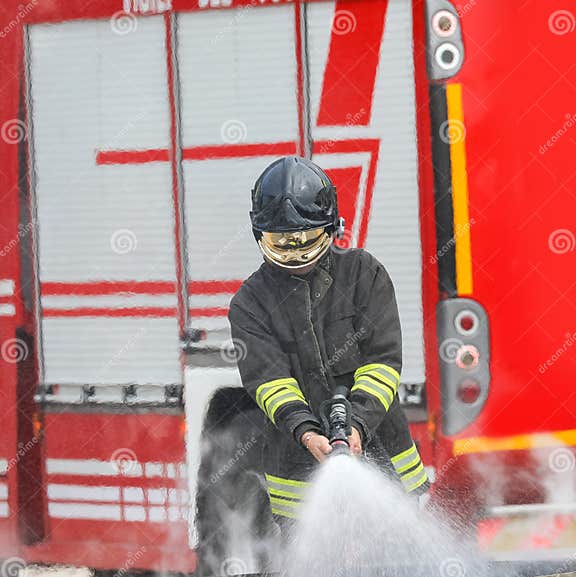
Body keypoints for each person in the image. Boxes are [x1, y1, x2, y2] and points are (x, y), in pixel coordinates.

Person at [228, 156, 429, 527]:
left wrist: (357, 425)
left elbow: (383, 362)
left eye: (306, 239)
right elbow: (269, 382)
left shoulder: (364, 274)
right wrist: (306, 432)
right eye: (282, 241)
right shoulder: (250, 303)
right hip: (298, 478)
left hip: (387, 463)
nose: (295, 251)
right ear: (260, 234)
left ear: (331, 228)